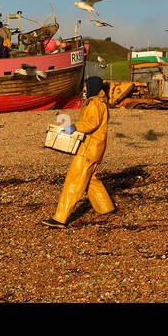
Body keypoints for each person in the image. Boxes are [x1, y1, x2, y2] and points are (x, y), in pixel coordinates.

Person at [43, 76, 115, 228]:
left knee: (74, 181)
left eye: (86, 87)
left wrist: (75, 126)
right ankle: (106, 208)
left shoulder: (95, 103)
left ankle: (60, 218)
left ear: (92, 87)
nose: (84, 89)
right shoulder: (100, 102)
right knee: (90, 180)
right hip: (96, 148)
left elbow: (91, 123)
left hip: (88, 150)